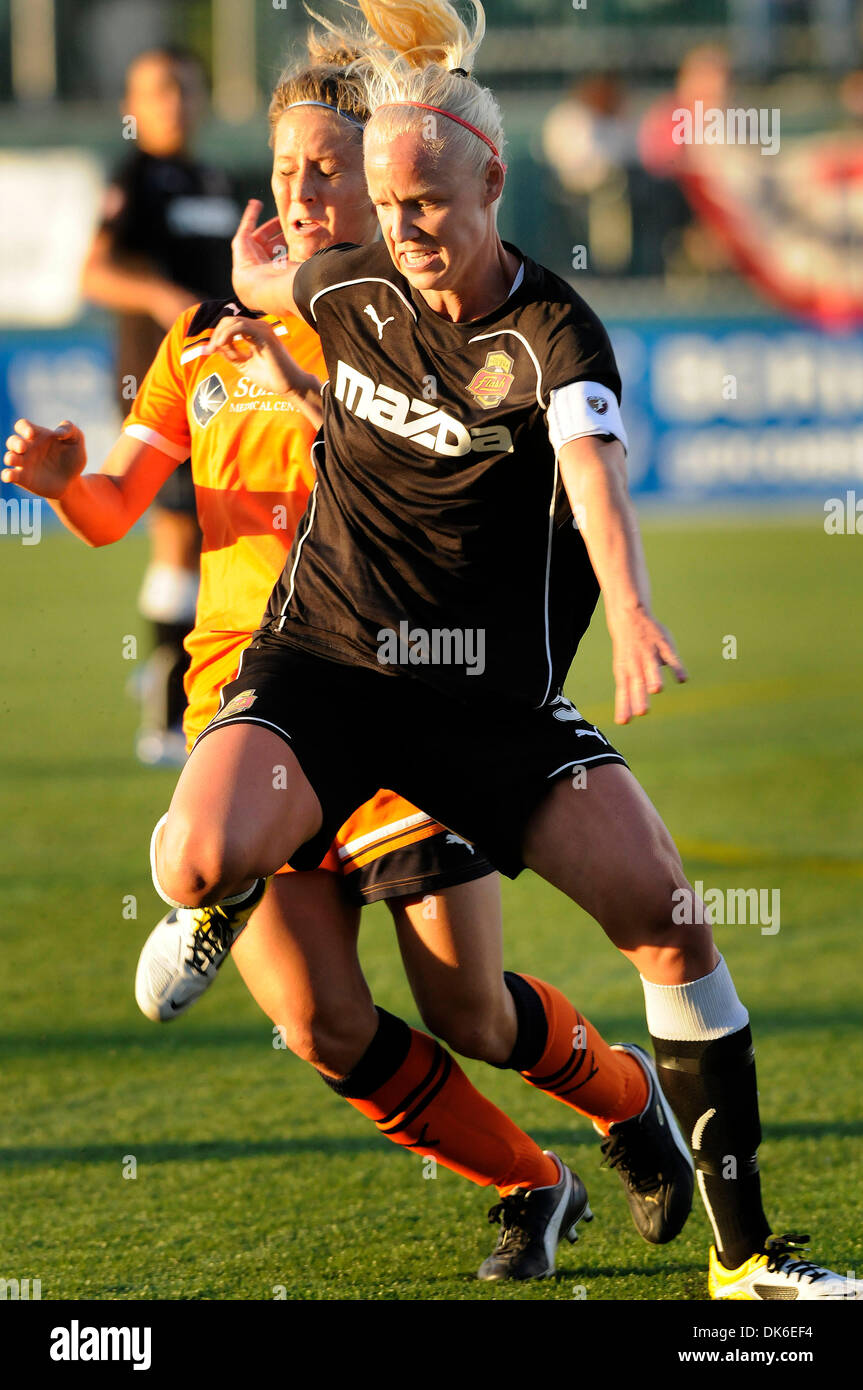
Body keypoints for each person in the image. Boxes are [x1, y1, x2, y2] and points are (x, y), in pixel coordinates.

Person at [133, 0, 863, 1301]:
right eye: (385, 202)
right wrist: (254, 295)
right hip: (329, 669)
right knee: (188, 858)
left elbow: (588, 472)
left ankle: (744, 1258)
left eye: (428, 203)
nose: (405, 229)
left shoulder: (552, 334)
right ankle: (235, 872)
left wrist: (628, 602)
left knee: (667, 913)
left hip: (488, 709)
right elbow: (262, 280)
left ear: (490, 182)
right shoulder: (346, 281)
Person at [4, 30, 692, 1285]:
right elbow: (117, 507)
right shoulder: (205, 346)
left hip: (395, 691)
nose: (307, 197)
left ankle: (625, 1095)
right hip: (262, 704)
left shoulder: (400, 323)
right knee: (321, 1025)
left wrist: (309, 384)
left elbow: (454, 452)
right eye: (288, 170)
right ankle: (529, 1189)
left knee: (468, 1012)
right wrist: (64, 484)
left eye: (332, 172)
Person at [81, 46, 239, 766]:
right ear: (131, 108)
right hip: (163, 389)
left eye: (184, 88)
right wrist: (160, 297)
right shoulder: (137, 180)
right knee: (182, 538)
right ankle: (167, 714)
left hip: (228, 391)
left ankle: (175, 687)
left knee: (209, 545)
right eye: (158, 91)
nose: (173, 103)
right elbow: (95, 272)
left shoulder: (213, 179)